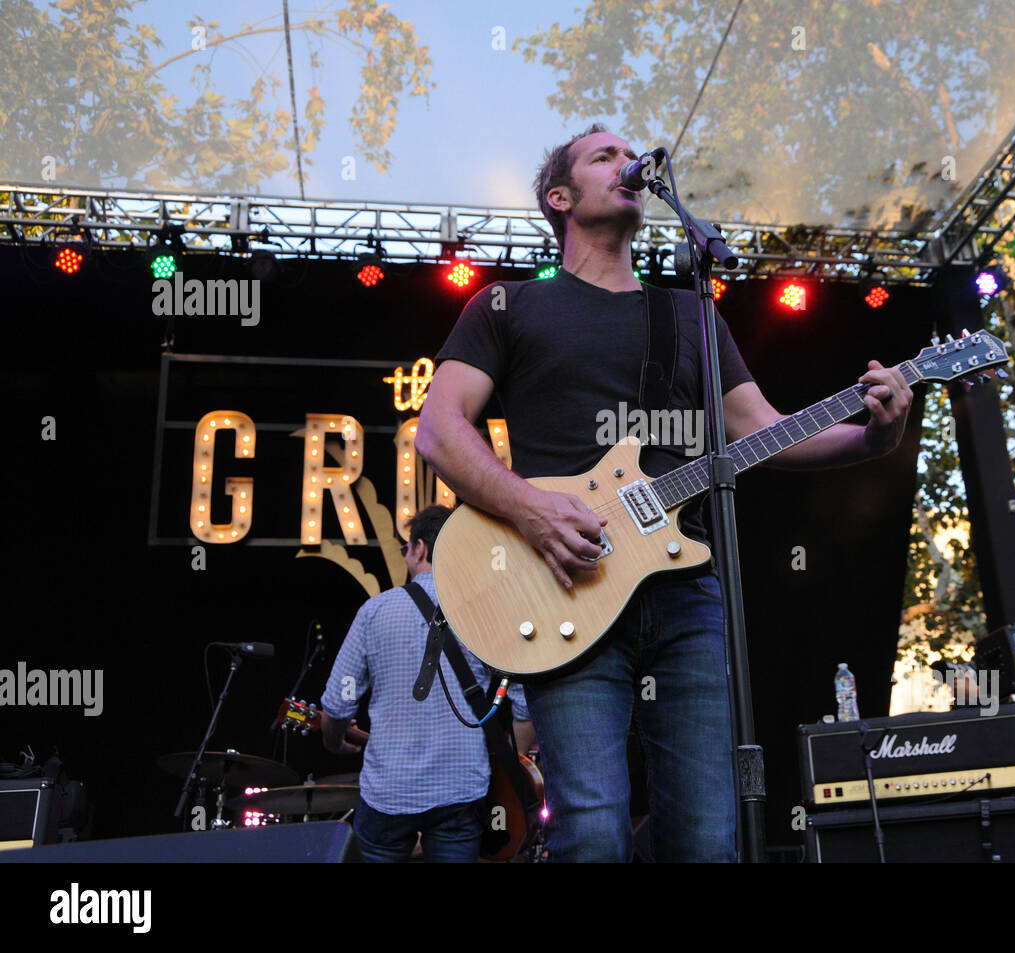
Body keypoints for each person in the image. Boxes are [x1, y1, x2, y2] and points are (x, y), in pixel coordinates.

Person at [415, 124, 911, 862]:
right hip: (563, 583)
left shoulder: (689, 315)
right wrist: (532, 509)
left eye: (630, 153)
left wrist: (876, 437)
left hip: (685, 592)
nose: (628, 162)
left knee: (709, 836)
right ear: (561, 196)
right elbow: (438, 429)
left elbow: (768, 433)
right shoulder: (510, 307)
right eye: (604, 156)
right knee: (594, 829)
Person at [319, 504, 536, 863]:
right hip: (463, 790)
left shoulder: (374, 612)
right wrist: (505, 764)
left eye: (406, 547)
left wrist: (333, 742)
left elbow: (338, 705)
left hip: (388, 794)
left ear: (419, 547)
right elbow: (526, 705)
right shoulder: (488, 610)